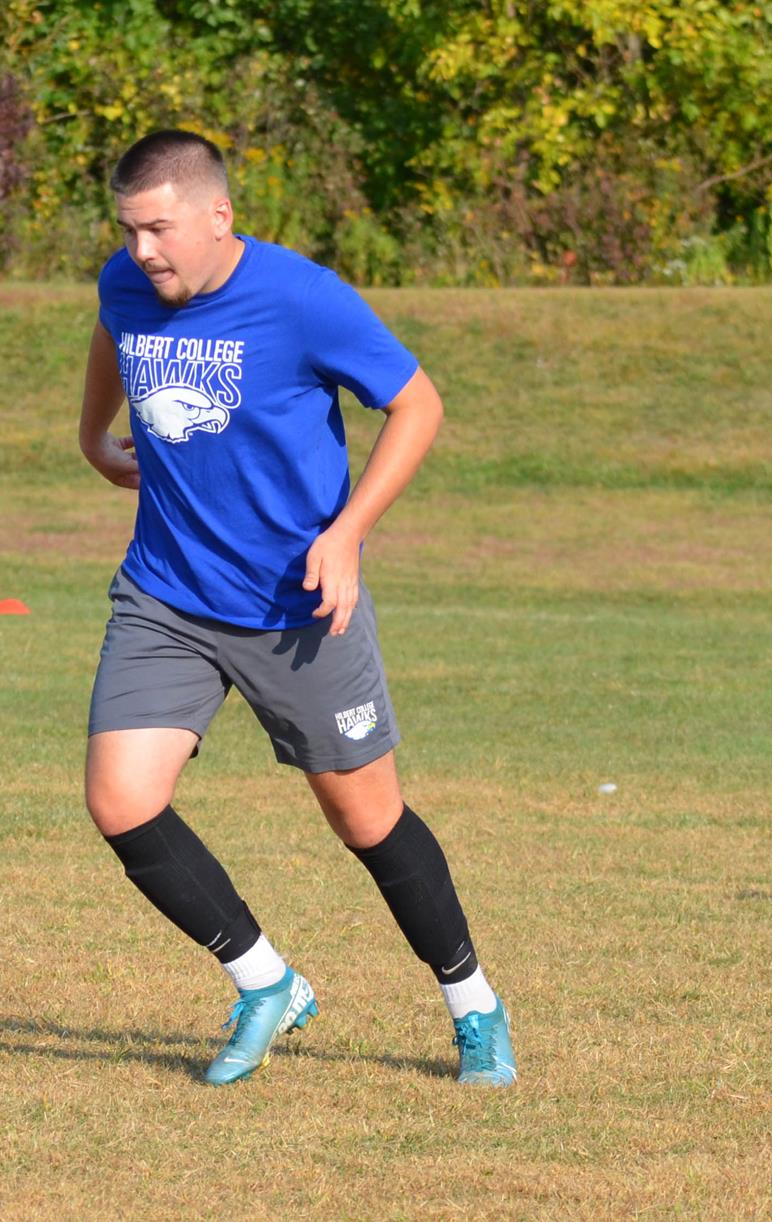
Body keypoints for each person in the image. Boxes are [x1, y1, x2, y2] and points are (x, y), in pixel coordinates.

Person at [77, 129, 517, 1087]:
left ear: (217, 216)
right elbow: (114, 331)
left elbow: (418, 405)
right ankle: (265, 981)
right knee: (121, 799)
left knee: (367, 820)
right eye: (129, 230)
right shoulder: (126, 283)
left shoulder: (303, 298)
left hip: (297, 607)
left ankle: (474, 1004)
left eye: (158, 230)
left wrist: (349, 532)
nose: (141, 251)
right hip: (167, 593)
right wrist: (91, 436)